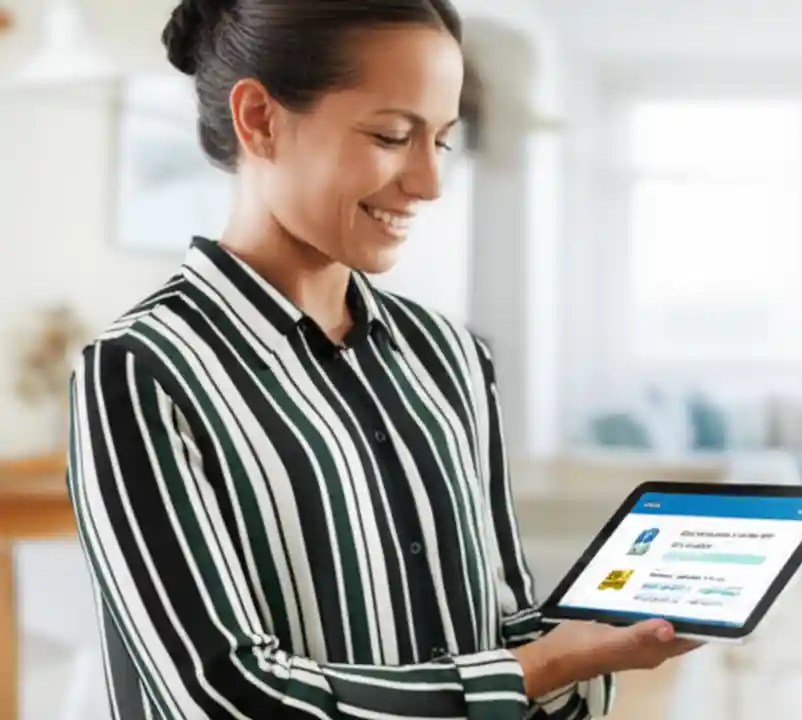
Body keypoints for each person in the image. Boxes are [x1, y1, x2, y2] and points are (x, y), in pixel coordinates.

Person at [65, 1, 698, 717]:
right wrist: (540, 666)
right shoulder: (141, 371)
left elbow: (506, 623)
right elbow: (222, 692)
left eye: (445, 142)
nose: (429, 183)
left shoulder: (449, 357)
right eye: (392, 136)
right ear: (260, 120)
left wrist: (589, 649)